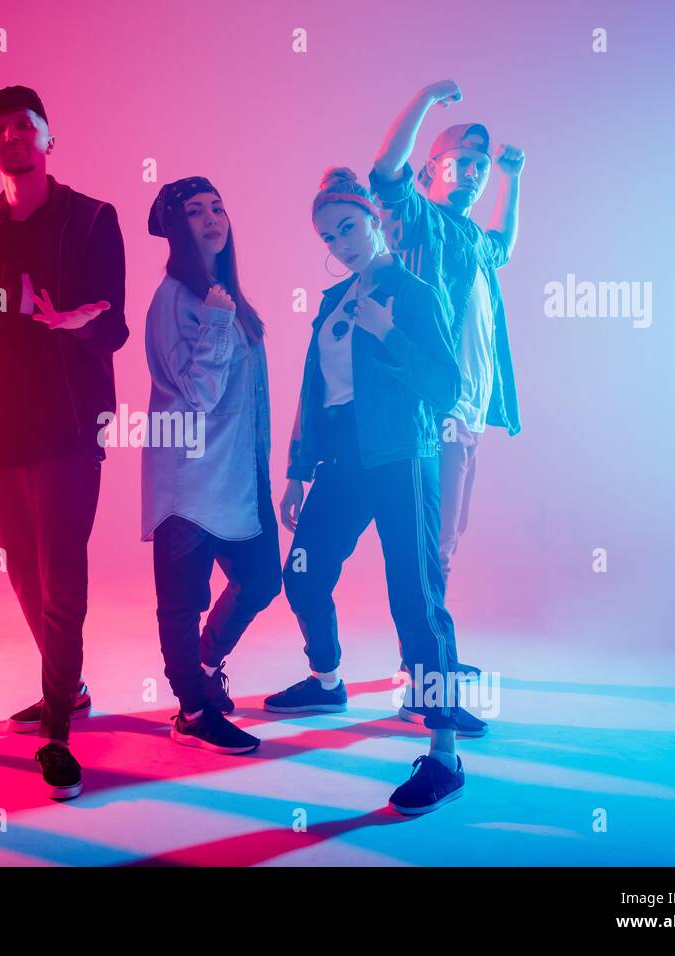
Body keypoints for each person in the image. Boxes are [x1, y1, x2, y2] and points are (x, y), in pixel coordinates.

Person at [262, 167, 478, 814]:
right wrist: (297, 471)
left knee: (415, 595)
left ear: (376, 221)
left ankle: (444, 752)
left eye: (349, 227)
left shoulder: (413, 292)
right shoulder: (333, 301)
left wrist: (387, 331)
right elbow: (315, 391)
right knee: (303, 574)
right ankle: (328, 679)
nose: (341, 243)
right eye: (329, 236)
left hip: (402, 456)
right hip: (340, 462)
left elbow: (446, 387)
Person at [0, 86, 128, 800]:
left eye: (24, 125)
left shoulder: (93, 217)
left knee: (62, 571)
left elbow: (115, 326)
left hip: (69, 422)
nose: (12, 136)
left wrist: (78, 323)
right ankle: (68, 687)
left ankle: (57, 736)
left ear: (49, 139)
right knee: (20, 563)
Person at [371, 81, 524, 687]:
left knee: (445, 540)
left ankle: (429, 652)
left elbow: (503, 246)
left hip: (469, 414)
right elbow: (386, 173)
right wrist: (426, 99)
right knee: (430, 543)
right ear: (431, 167)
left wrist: (511, 179)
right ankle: (425, 667)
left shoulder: (470, 238)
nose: (473, 173)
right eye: (461, 162)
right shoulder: (420, 222)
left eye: (480, 167)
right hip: (434, 412)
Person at [141, 177, 281, 755]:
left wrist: (267, 466)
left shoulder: (226, 295)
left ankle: (204, 663)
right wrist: (219, 325)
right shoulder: (172, 299)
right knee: (182, 600)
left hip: (240, 475)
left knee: (263, 578)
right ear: (177, 228)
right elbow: (196, 395)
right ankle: (193, 711)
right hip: (190, 479)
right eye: (195, 211)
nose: (212, 218)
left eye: (218, 208)